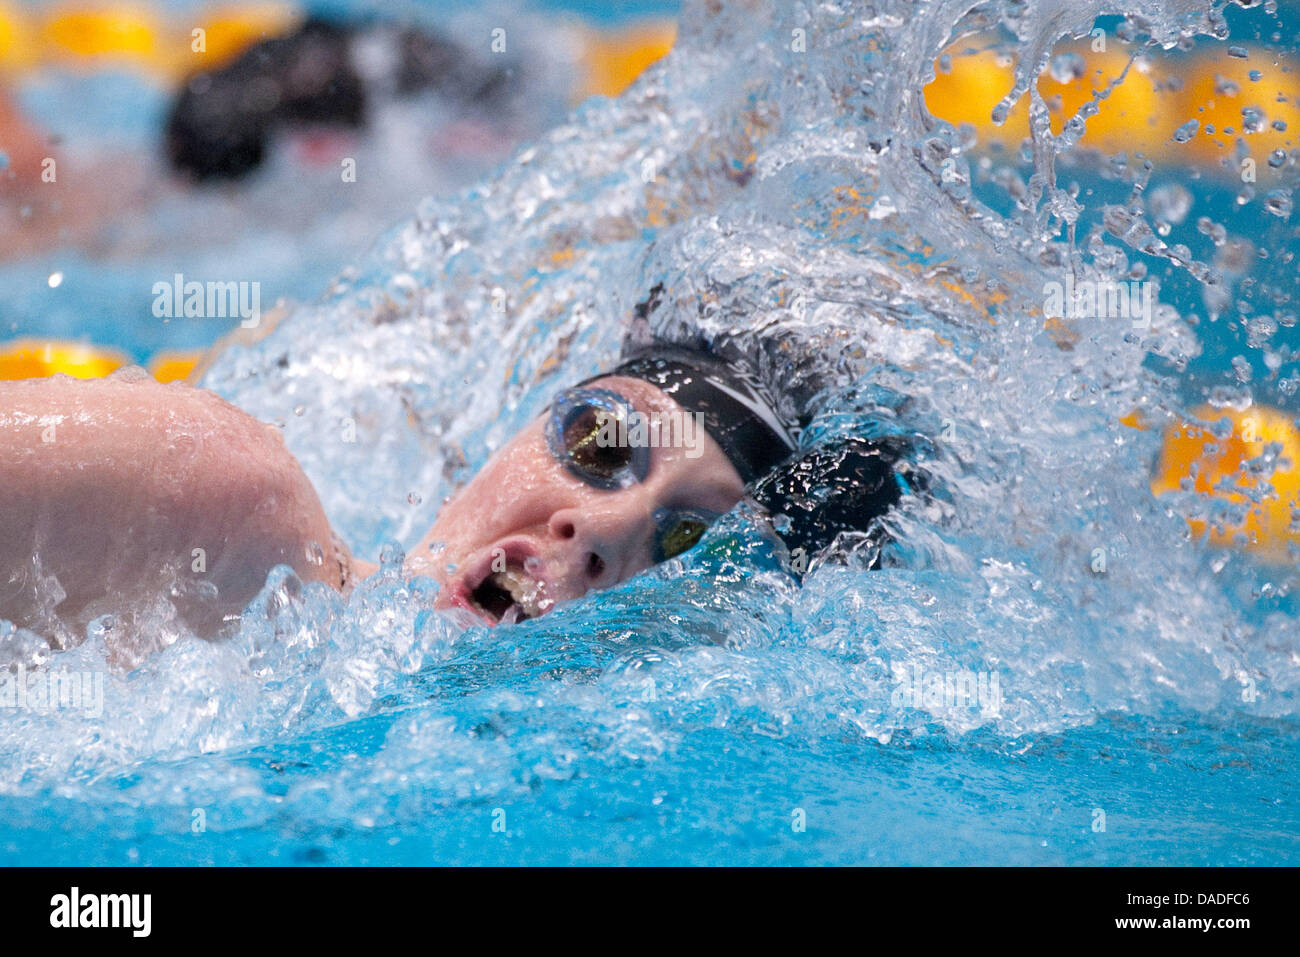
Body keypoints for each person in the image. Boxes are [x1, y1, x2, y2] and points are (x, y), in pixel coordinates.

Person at [0, 336, 917, 649]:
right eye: (599, 444)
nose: (599, 527)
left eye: (683, 543)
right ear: (513, 431)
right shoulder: (220, 499)